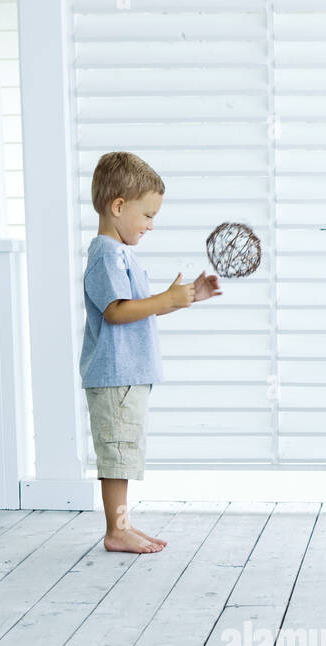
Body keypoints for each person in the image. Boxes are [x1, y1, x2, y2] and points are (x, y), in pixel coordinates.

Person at [80, 151, 222, 554]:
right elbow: (117, 311)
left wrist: (185, 297)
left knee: (123, 452)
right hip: (115, 375)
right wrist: (166, 299)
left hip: (127, 374)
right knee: (117, 454)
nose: (151, 225)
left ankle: (122, 525)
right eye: (147, 215)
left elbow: (139, 307)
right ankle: (116, 530)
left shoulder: (121, 254)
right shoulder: (106, 254)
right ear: (118, 206)